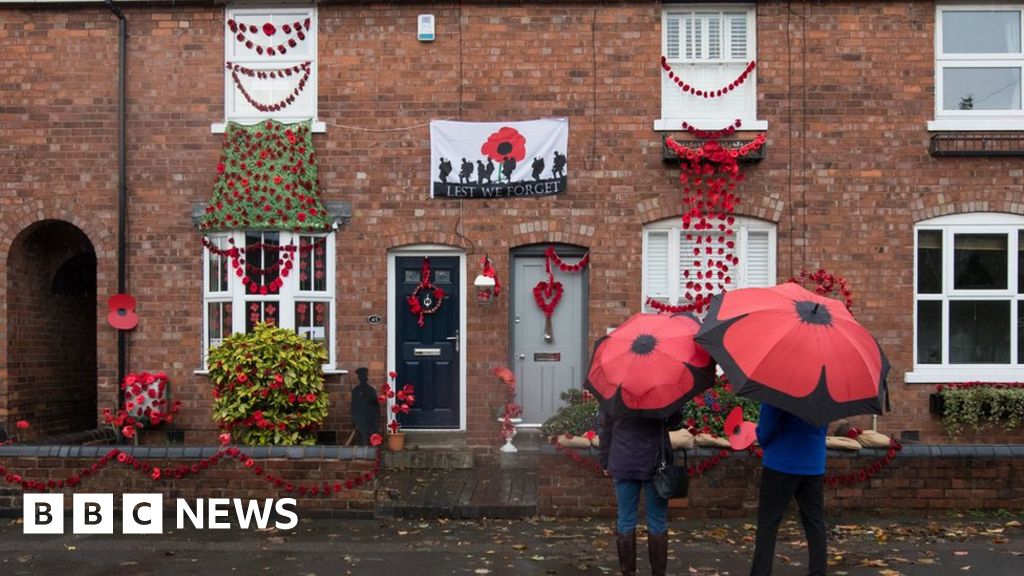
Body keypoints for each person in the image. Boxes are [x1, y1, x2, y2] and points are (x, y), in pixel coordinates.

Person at [599, 407, 680, 576]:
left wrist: (605, 460)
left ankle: (628, 572)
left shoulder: (614, 392)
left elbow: (605, 428)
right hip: (656, 462)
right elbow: (675, 421)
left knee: (626, 518)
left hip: (623, 459)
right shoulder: (661, 390)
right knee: (657, 520)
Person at [750, 403, 828, 576]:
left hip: (780, 462)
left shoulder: (779, 388)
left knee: (768, 523)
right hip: (813, 463)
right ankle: (818, 571)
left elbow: (767, 429)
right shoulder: (824, 390)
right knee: (815, 522)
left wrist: (759, 435)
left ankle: (761, 572)